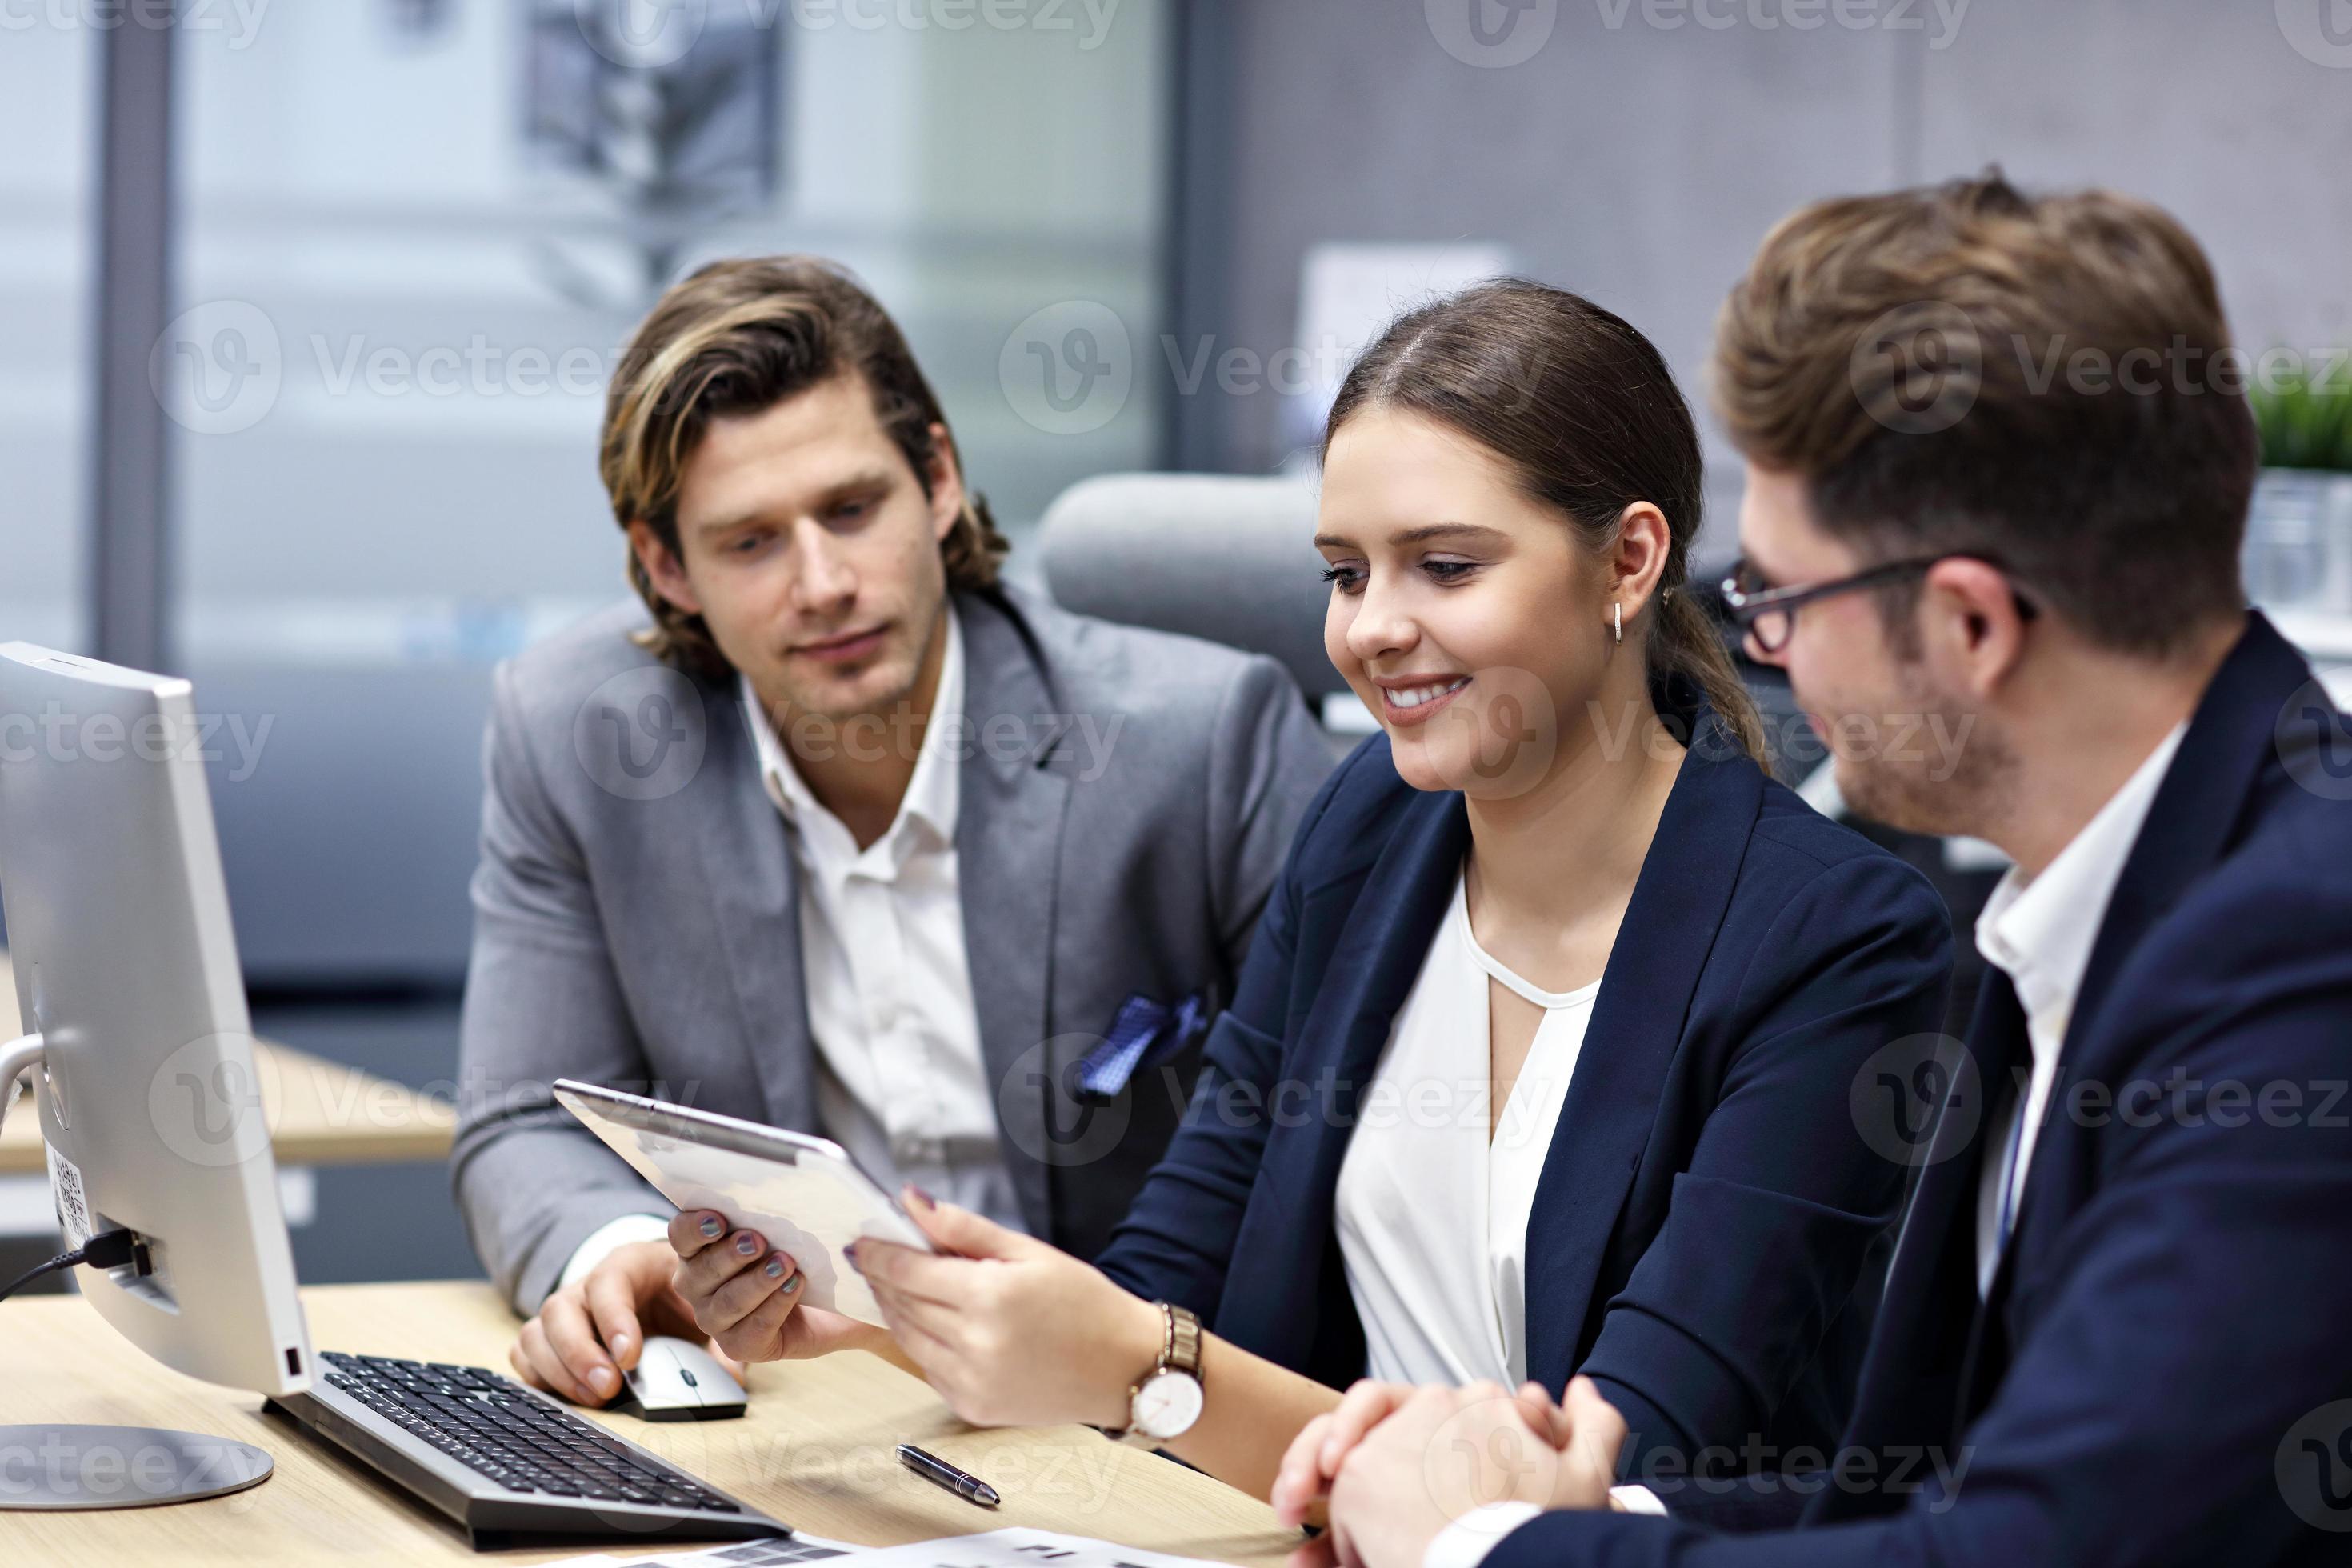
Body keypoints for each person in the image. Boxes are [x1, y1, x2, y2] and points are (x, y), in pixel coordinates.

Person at [660, 278, 1954, 1503]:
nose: (1370, 629)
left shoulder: (1836, 940)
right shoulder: (1369, 829)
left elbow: (1617, 1473)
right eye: (1345, 572)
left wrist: (1134, 1366)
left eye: (1445, 567)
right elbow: (1175, 1274)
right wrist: (877, 1326)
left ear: (1626, 562)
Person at [1297, 174, 2352, 1568]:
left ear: (1971, 624)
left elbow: (2056, 1551)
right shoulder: (2093, 905)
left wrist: (1486, 1546)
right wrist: (1597, 1516)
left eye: (1781, 599)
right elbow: (1942, 1494)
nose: (1766, 656)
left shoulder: (2298, 960)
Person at [450, 256, 1335, 1405]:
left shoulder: (1201, 743)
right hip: (810, 1412)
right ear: (667, 568)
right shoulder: (580, 740)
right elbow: (521, 1118)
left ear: (940, 482)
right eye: (751, 542)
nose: (822, 583)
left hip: (1141, 1409)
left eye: (852, 510)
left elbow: (1340, 1149)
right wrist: (620, 1256)